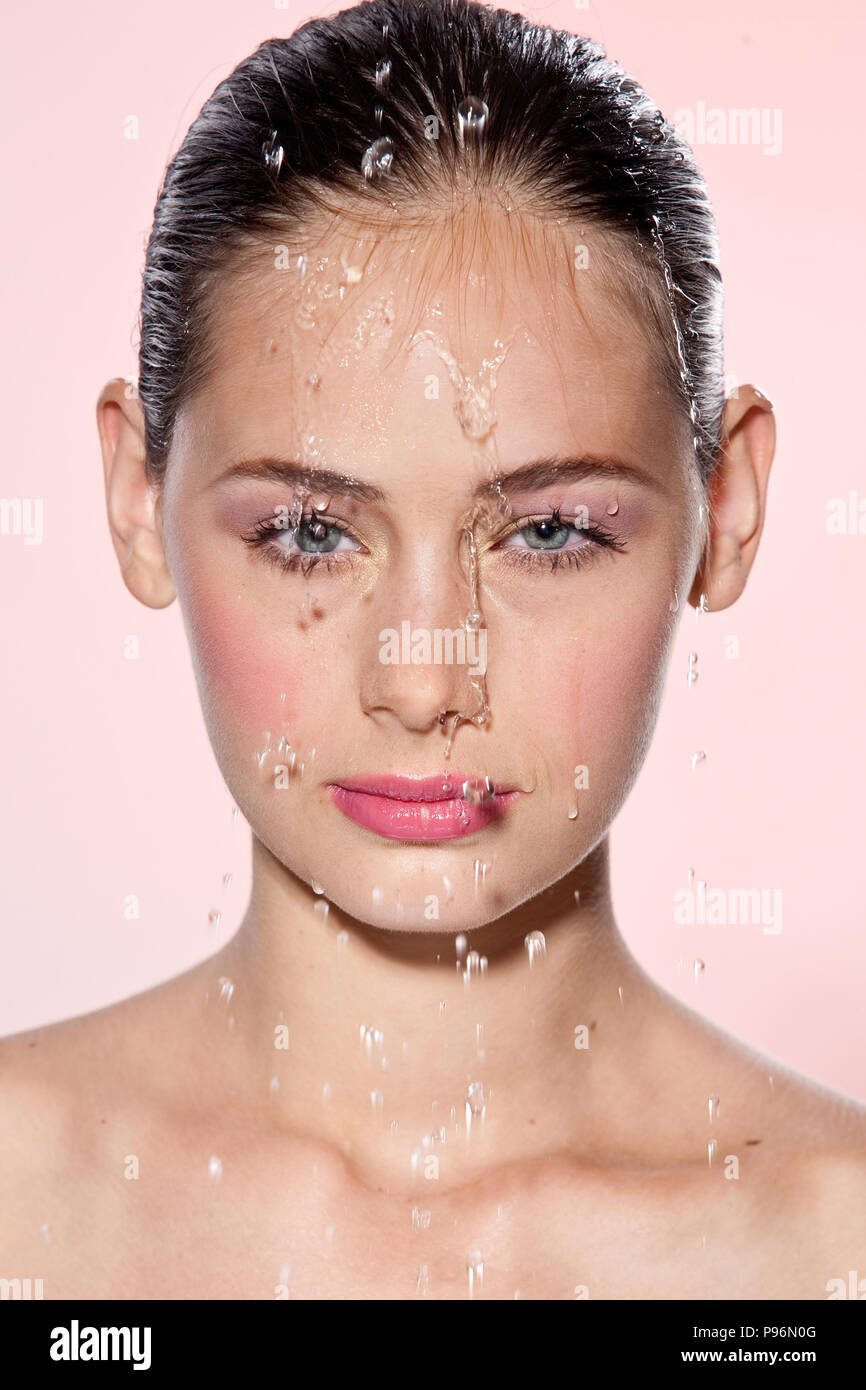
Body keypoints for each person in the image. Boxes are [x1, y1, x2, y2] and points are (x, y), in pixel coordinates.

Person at [2, 0, 863, 1300]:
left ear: (724, 510)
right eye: (307, 531)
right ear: (137, 498)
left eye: (550, 533)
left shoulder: (832, 1253)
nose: (418, 680)